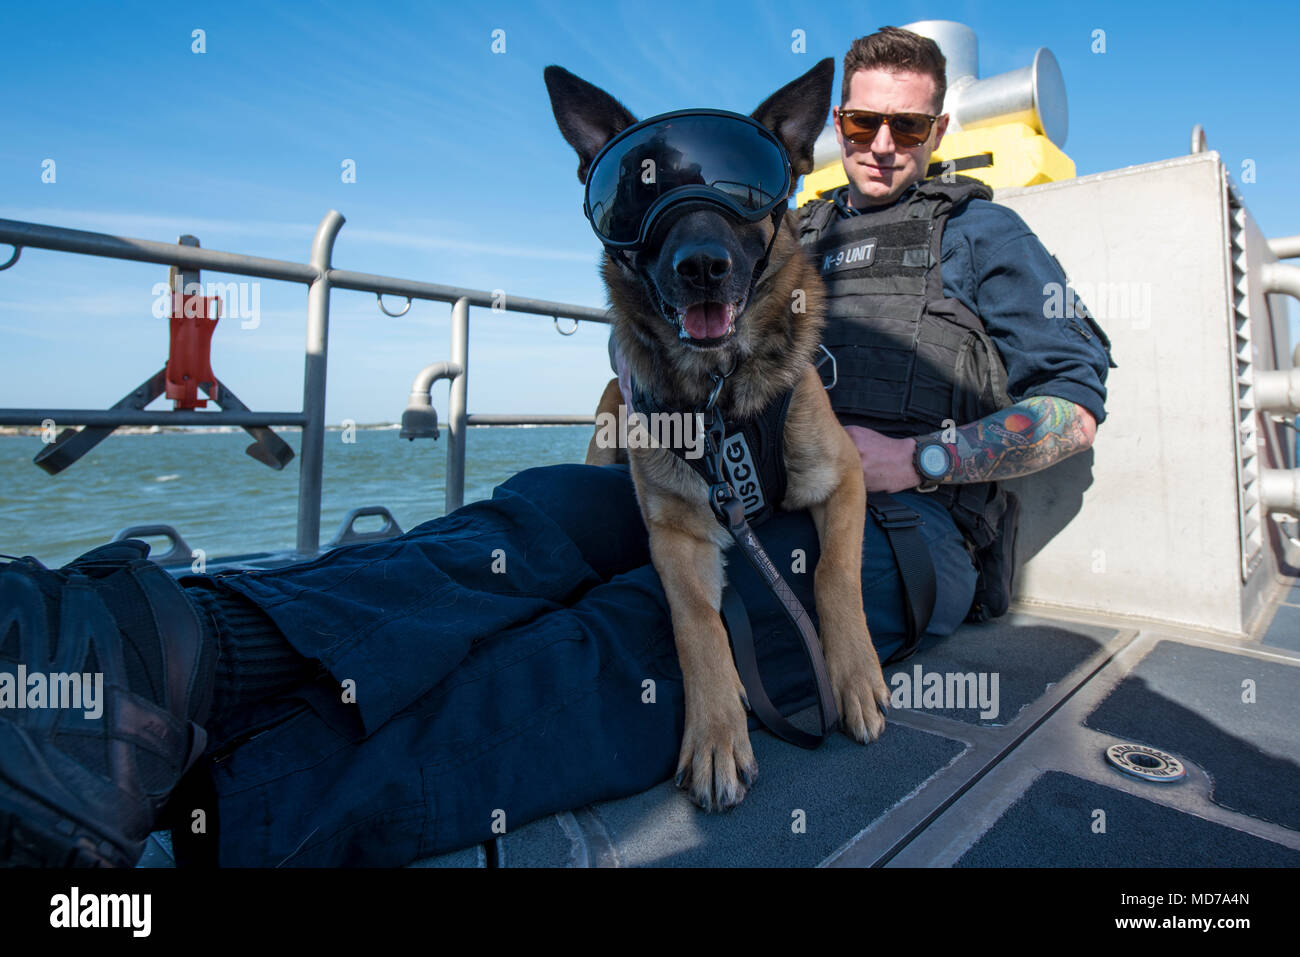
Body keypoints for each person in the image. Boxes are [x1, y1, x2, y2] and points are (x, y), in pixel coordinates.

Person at [0, 27, 1110, 869]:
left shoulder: (985, 235)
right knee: (523, 527)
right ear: (830, 134)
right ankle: (133, 651)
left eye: (904, 129)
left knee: (630, 635)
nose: (876, 147)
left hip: (903, 517)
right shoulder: (773, 218)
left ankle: (208, 817)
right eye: (858, 125)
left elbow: (1075, 406)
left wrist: (918, 462)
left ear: (938, 132)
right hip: (708, 460)